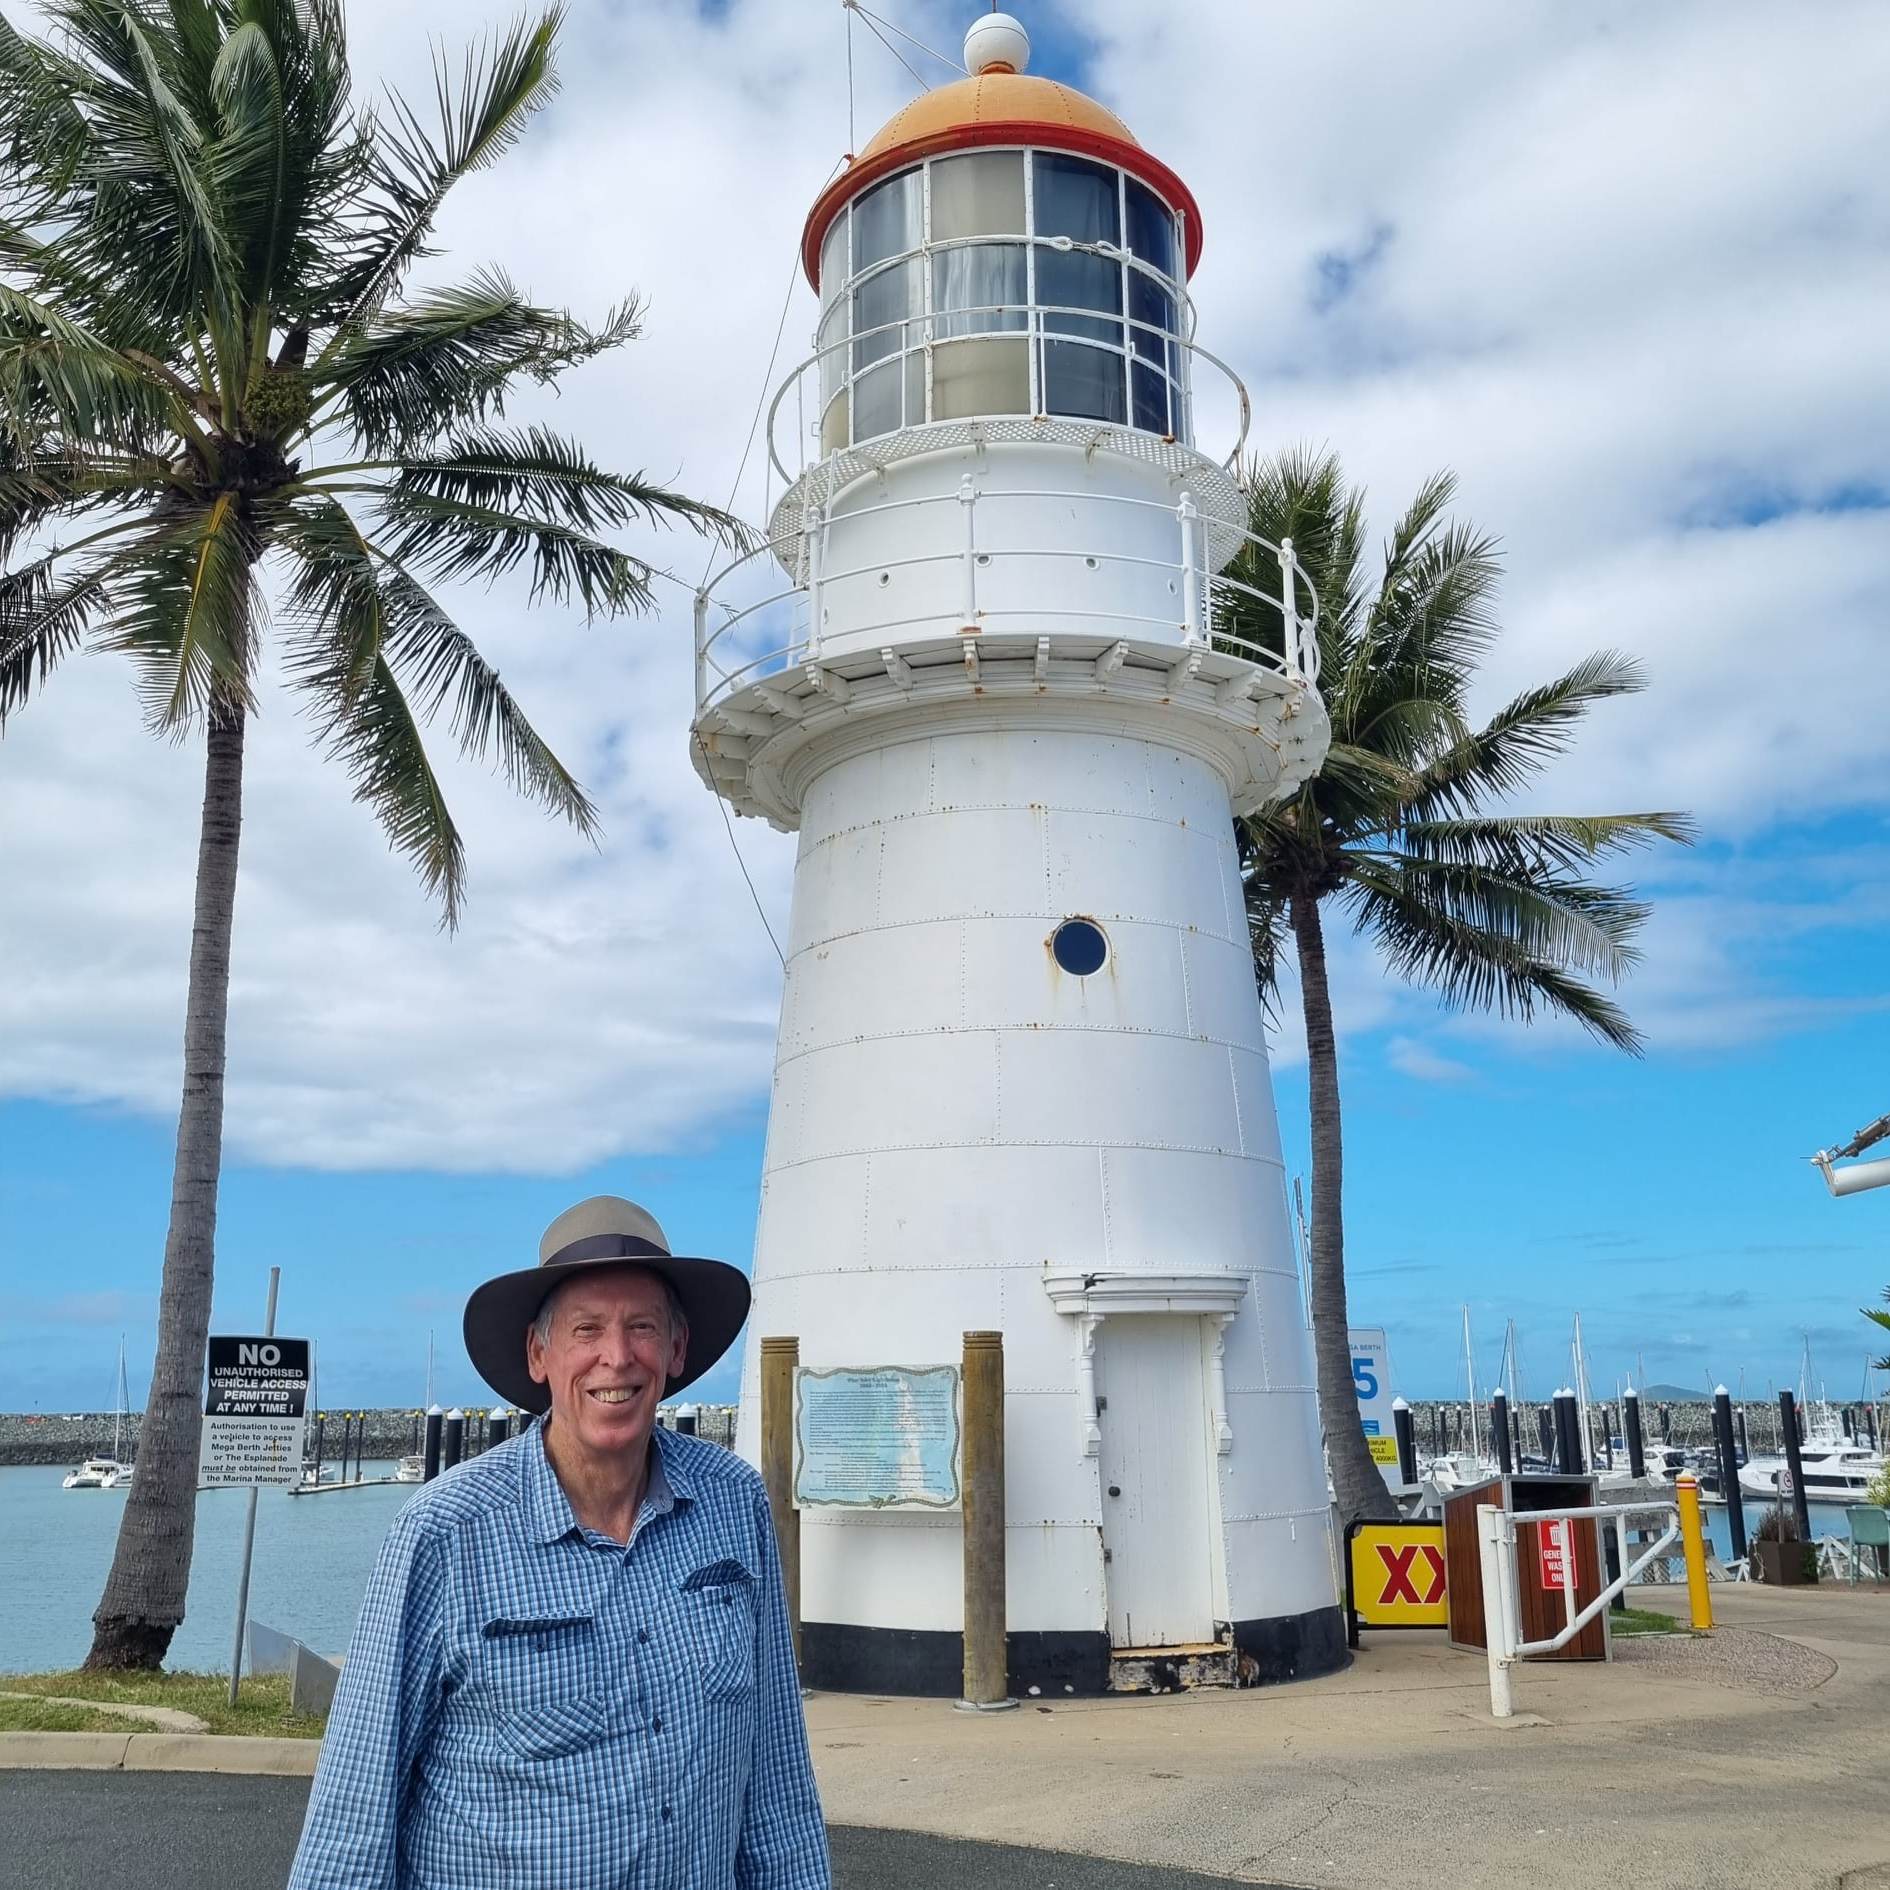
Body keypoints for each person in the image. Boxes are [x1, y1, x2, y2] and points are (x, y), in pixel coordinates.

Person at [289, 1195, 829, 1890]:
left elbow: (777, 1778)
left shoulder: (734, 1502)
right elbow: (356, 1806)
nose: (617, 1356)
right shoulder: (445, 1532)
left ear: (676, 1348)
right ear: (540, 1354)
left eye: (642, 1326)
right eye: (587, 1329)